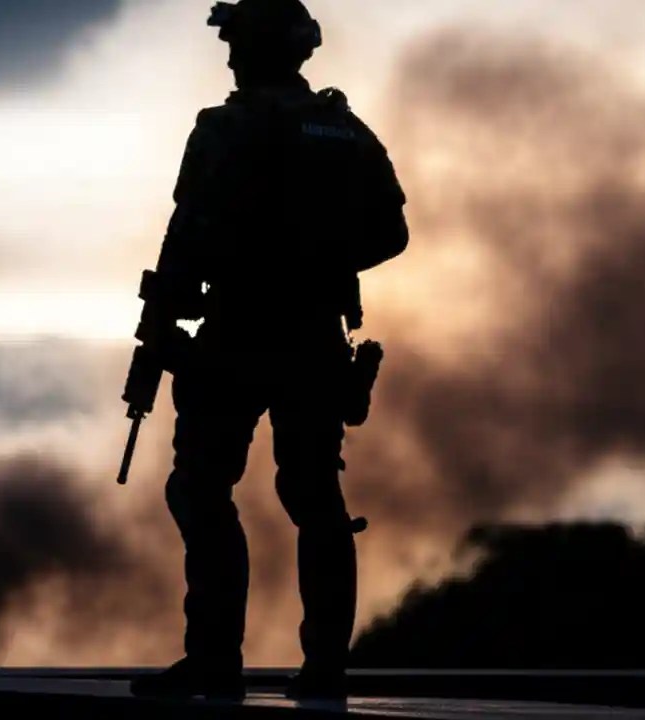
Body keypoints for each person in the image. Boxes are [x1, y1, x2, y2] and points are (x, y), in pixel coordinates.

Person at [129, 0, 409, 702]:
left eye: (236, 44)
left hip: (240, 330)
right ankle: (325, 670)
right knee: (315, 495)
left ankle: (216, 659)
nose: (227, 58)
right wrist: (320, 259)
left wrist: (162, 323)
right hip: (315, 334)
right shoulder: (343, 128)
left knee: (199, 487)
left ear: (255, 50)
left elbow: (186, 232)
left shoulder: (226, 129)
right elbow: (392, 232)